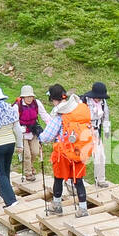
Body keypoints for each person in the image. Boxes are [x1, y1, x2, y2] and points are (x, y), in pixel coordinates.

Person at [40, 85, 92, 217]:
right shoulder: (78, 110)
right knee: (78, 180)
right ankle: (83, 208)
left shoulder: (60, 115)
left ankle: (56, 205)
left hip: (62, 153)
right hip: (79, 150)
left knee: (58, 178)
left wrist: (39, 135)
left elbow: (47, 136)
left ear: (53, 99)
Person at [81, 82, 112, 187]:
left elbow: (106, 118)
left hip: (96, 131)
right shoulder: (84, 101)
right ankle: (79, 180)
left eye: (101, 97)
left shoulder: (103, 103)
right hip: (84, 132)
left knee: (100, 155)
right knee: (83, 156)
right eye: (98, 97)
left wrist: (107, 132)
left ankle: (101, 179)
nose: (99, 99)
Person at [14, 86, 44, 182]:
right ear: (23, 97)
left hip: (33, 131)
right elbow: (14, 121)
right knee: (26, 154)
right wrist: (19, 130)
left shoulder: (36, 103)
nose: (29, 99)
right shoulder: (17, 106)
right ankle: (28, 173)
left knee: (35, 152)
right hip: (22, 133)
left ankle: (30, 166)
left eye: (31, 96)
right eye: (27, 97)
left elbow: (44, 115)